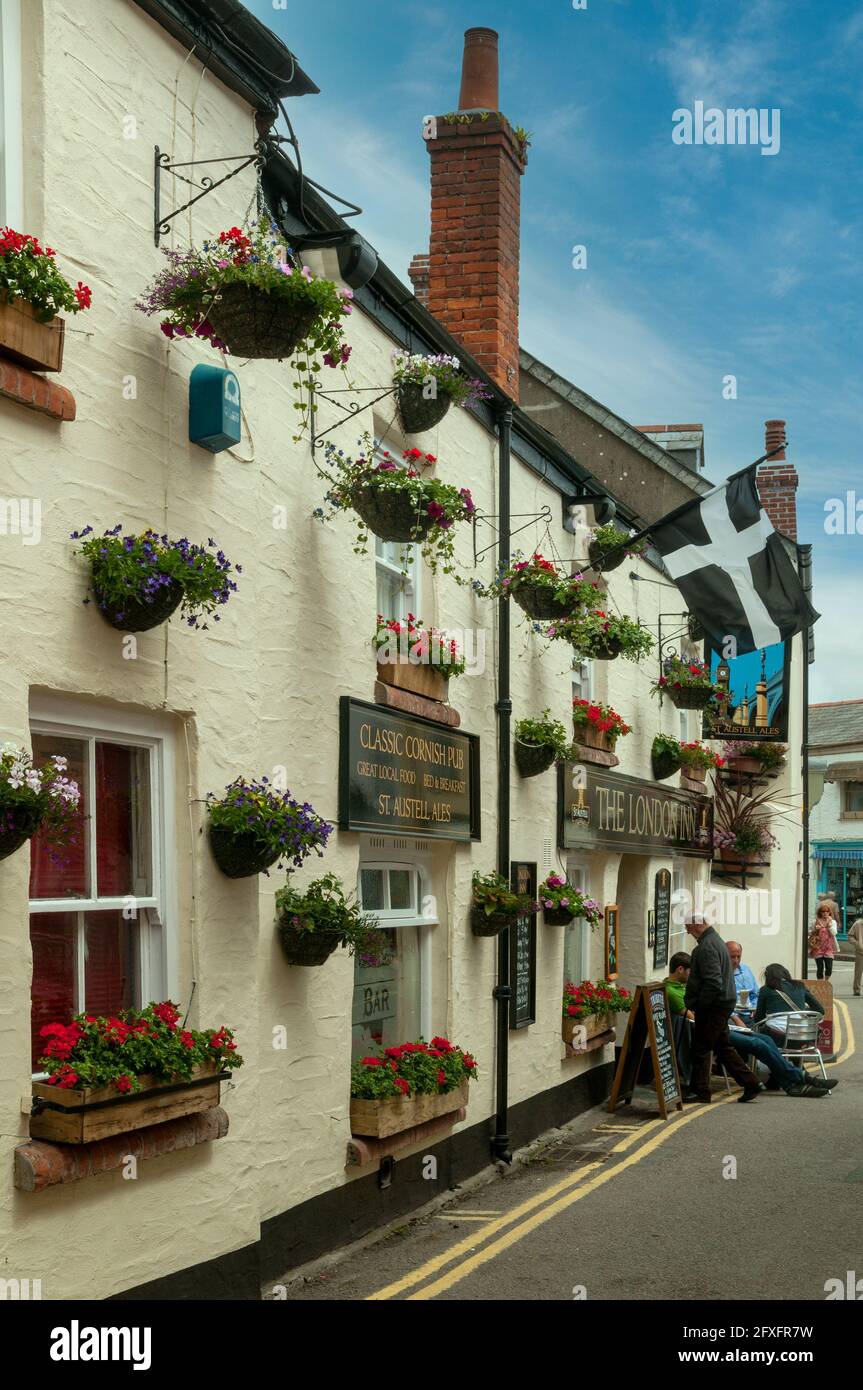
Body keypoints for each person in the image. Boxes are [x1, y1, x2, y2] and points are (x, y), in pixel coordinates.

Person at [684, 916, 761, 1104]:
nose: (686, 930)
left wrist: (700, 1005)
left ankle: (700, 1091)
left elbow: (713, 982)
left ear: (697, 923)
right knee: (722, 1046)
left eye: (688, 926)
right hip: (721, 1004)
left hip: (713, 1006)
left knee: (701, 1048)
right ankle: (751, 1083)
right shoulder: (715, 941)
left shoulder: (707, 947)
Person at [727, 1010, 837, 1097]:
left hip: (730, 1023)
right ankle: (801, 1077)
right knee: (758, 1044)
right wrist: (735, 1017)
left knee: (767, 1039)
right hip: (719, 1027)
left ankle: (790, 1085)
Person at [752, 963, 824, 1041]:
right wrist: (802, 1012)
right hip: (802, 1038)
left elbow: (759, 1019)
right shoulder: (800, 986)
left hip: (776, 1037)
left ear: (768, 977)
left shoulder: (765, 989)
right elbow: (820, 1010)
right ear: (786, 973)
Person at [727, 940, 759, 1021]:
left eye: (738, 957)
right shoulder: (720, 973)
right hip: (730, 1016)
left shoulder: (746, 970)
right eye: (732, 957)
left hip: (749, 1014)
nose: (736, 960)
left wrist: (754, 1007)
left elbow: (755, 994)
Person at [810, 903, 838, 980]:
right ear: (820, 913)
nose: (825, 913)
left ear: (829, 912)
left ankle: (826, 981)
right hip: (818, 948)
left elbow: (834, 933)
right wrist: (816, 929)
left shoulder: (832, 922)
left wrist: (829, 927)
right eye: (823, 911)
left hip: (828, 949)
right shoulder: (815, 921)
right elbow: (810, 932)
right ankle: (820, 983)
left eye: (827, 911)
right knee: (820, 968)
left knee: (829, 968)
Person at [847, 917, 863, 997]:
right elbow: (850, 936)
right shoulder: (858, 924)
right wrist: (857, 944)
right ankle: (857, 990)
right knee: (858, 972)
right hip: (860, 952)